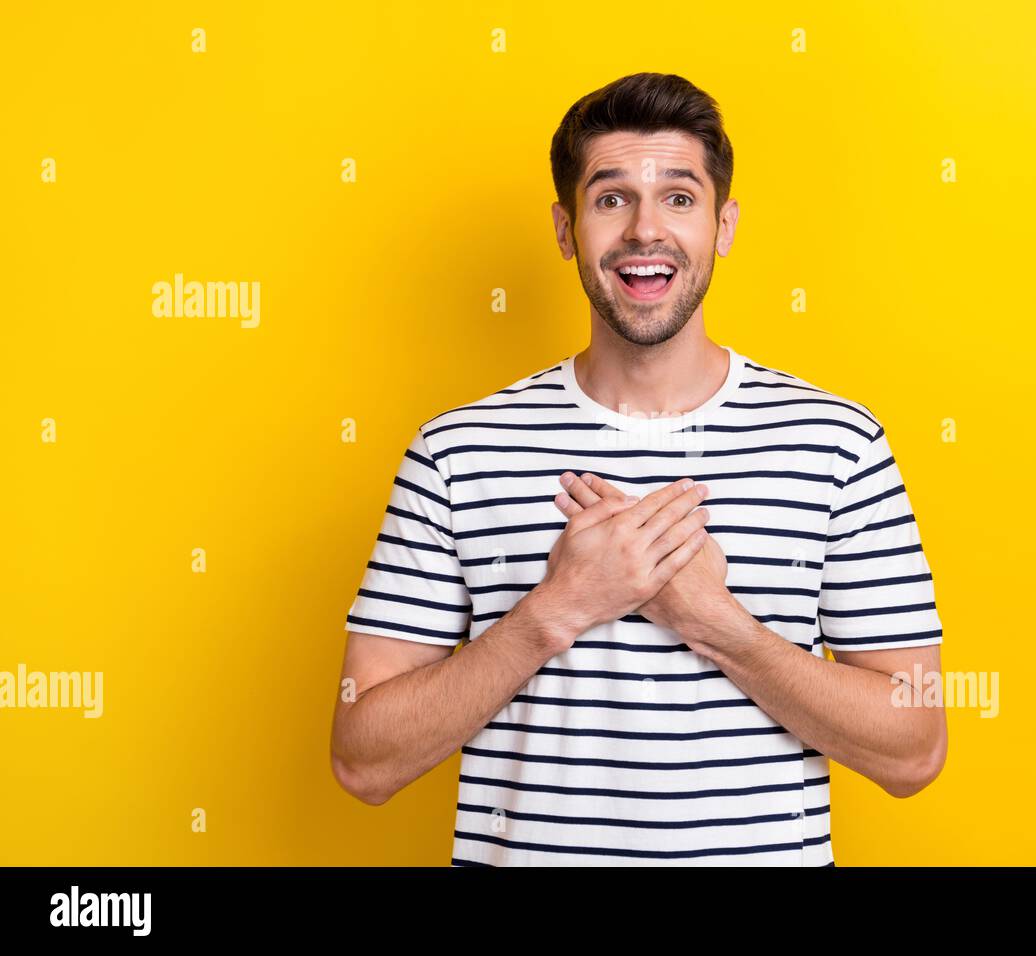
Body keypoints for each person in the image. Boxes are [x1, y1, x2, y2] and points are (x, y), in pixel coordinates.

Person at [331, 72, 946, 866]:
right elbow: (362, 756)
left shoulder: (838, 443)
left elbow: (914, 749)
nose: (644, 230)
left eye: (680, 199)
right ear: (565, 228)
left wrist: (713, 622)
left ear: (724, 226)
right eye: (611, 198)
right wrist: (556, 610)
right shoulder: (458, 451)